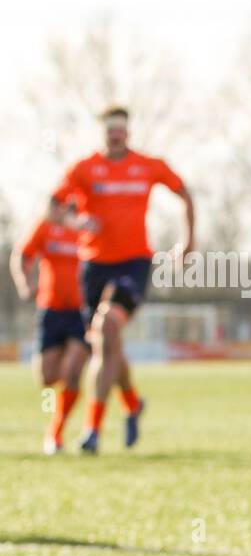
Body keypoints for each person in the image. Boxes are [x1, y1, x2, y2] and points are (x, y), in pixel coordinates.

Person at [51, 105, 195, 454]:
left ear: (128, 132)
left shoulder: (148, 166)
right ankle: (132, 402)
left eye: (121, 129)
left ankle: (92, 430)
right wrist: (75, 223)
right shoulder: (84, 169)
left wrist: (187, 243)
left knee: (107, 330)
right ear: (102, 133)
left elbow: (185, 194)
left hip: (133, 263)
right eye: (109, 129)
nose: (116, 135)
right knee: (105, 344)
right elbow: (54, 207)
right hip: (94, 266)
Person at [10, 206, 90, 454]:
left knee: (73, 372)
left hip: (80, 312)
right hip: (51, 311)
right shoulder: (45, 227)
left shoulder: (87, 230)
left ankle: (55, 433)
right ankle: (52, 409)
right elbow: (21, 255)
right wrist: (25, 283)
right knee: (47, 379)